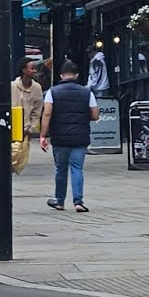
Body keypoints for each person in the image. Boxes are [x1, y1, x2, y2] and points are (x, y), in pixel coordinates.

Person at [39, 61, 98, 212]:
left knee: (61, 169)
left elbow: (47, 114)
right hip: (80, 136)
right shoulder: (87, 92)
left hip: (60, 137)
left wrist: (43, 135)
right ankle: (78, 202)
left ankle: (59, 201)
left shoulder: (52, 92)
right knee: (77, 169)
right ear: (77, 75)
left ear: (61, 75)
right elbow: (95, 114)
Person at [11, 58, 44, 174]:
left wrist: (32, 127)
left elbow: (37, 110)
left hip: (25, 129)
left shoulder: (37, 88)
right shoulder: (12, 87)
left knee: (20, 158)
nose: (34, 71)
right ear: (23, 70)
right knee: (12, 156)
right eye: (32, 68)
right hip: (12, 128)